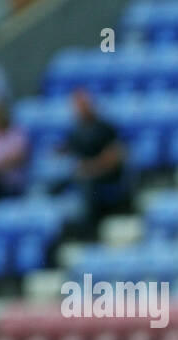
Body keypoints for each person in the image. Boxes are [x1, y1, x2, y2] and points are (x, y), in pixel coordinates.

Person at [62, 89, 129, 234]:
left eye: (83, 105)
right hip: (83, 173)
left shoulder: (105, 127)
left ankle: (90, 228)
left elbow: (115, 155)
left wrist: (91, 168)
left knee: (87, 184)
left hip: (106, 175)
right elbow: (71, 154)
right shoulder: (76, 131)